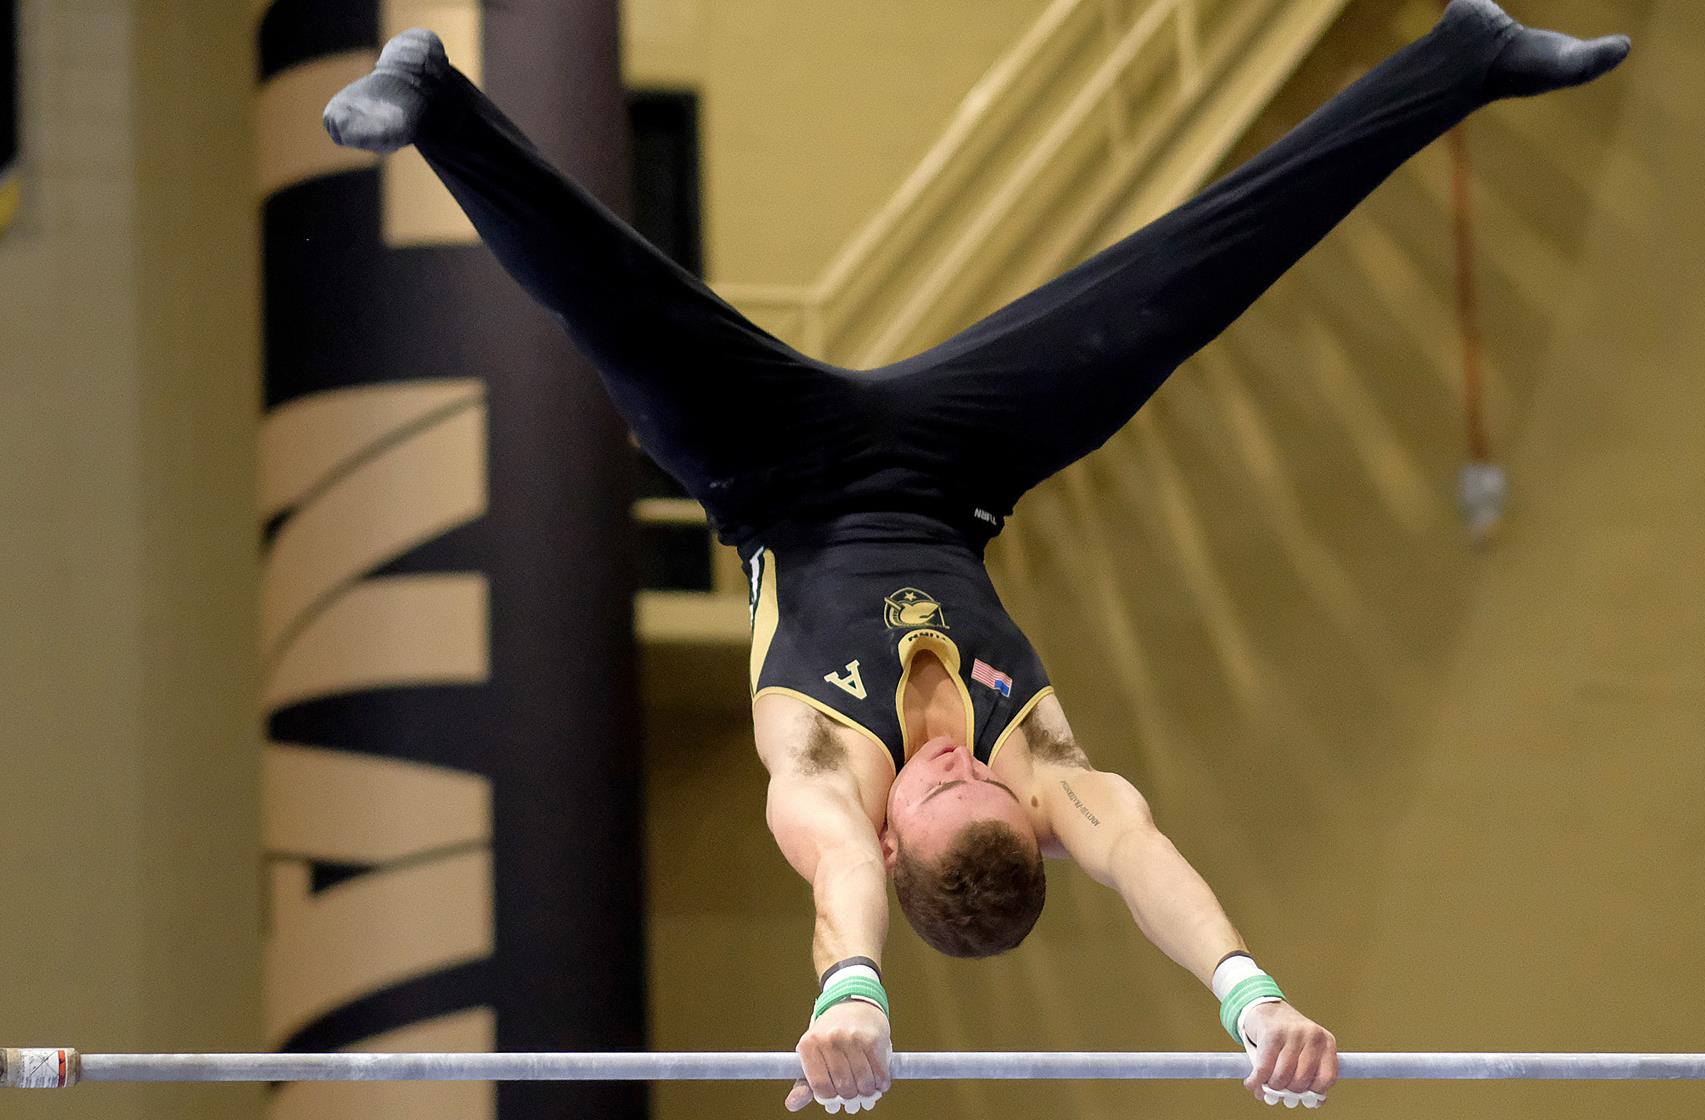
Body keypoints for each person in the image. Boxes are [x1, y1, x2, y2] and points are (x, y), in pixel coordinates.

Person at [323, 1, 1628, 1111]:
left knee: (620, 311)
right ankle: (1463, 55)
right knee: (1178, 287)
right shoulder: (1043, 776)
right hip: (961, 474)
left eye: (940, 789)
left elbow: (836, 885)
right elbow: (1141, 854)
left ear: (892, 841)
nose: (956, 761)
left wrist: (851, 999)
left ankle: (436, 100)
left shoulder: (825, 784)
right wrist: (1251, 998)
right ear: (1037, 824)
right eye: (987, 786)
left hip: (771, 475)